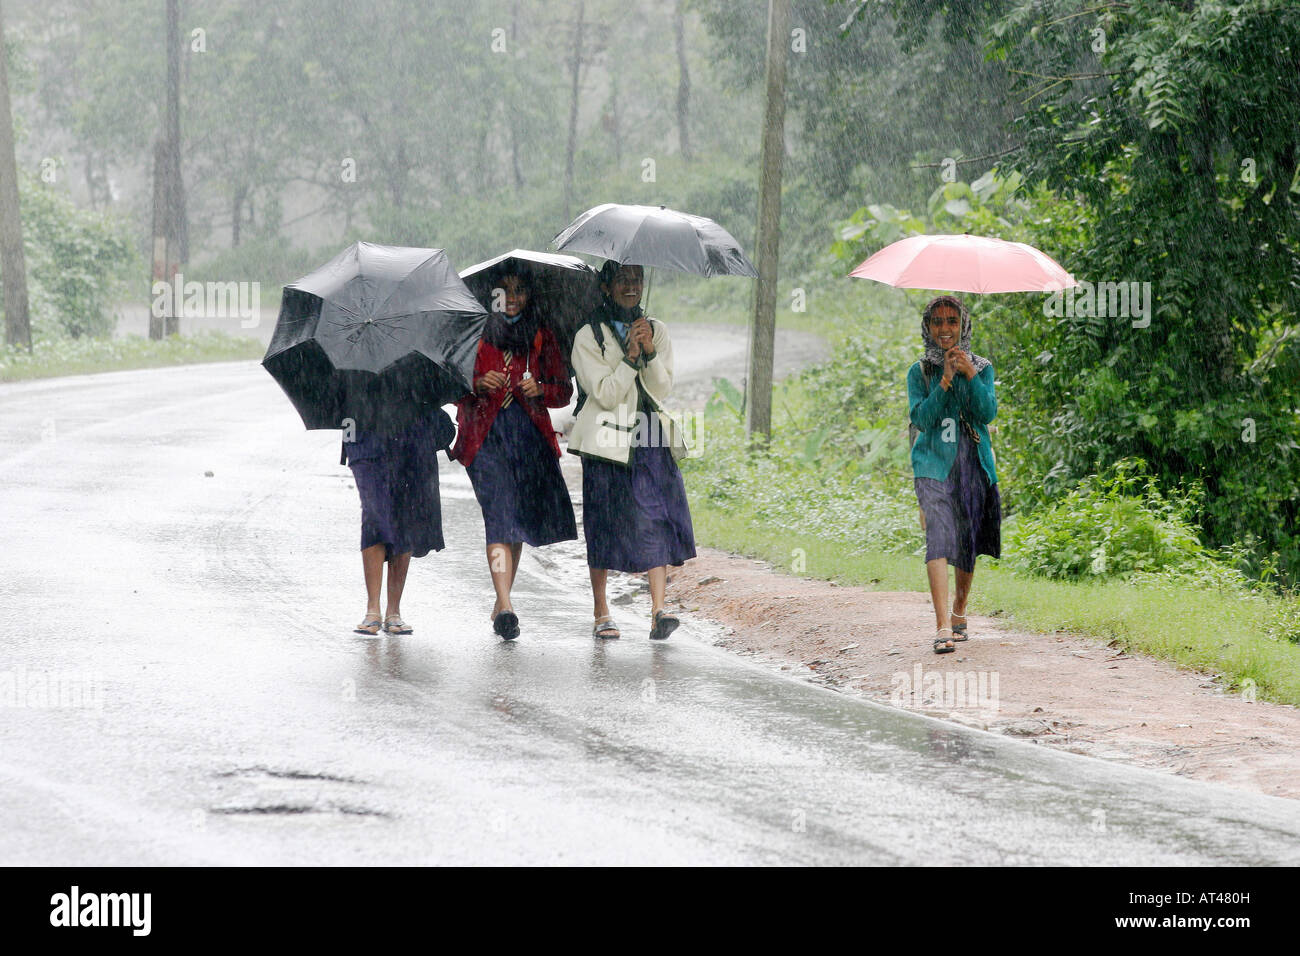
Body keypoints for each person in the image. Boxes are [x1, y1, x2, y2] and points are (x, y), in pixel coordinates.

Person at [568, 261, 696, 641]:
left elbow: (662, 388)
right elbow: (605, 394)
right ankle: (601, 611)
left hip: (649, 437)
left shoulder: (657, 330)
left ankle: (658, 612)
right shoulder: (588, 336)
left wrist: (649, 351)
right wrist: (627, 359)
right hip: (605, 442)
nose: (631, 287)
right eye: (622, 280)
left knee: (655, 516)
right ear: (605, 287)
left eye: (637, 280)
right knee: (603, 522)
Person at [452, 266, 577, 641]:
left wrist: (539, 388)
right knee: (498, 519)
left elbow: (563, 392)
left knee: (517, 522)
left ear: (529, 295)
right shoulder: (474, 332)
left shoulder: (541, 335)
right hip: (484, 436)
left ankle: (502, 599)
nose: (512, 298)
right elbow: (452, 384)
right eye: (504, 291)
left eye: (520, 290)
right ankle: (505, 604)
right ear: (491, 296)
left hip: (528, 436)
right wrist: (476, 384)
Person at [907, 294, 1001, 654]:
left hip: (973, 464)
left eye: (952, 321)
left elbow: (987, 412)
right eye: (938, 322)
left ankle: (960, 610)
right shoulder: (920, 372)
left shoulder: (983, 367)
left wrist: (970, 375)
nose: (945, 329)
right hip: (933, 466)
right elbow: (923, 419)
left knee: (967, 545)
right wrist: (945, 379)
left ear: (963, 325)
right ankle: (942, 625)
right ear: (927, 328)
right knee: (939, 540)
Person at [343, 405, 454, 636]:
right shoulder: (353, 373)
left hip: (413, 436)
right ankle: (373, 608)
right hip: (365, 436)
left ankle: (393, 611)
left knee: (406, 516)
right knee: (374, 513)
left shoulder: (417, 371)